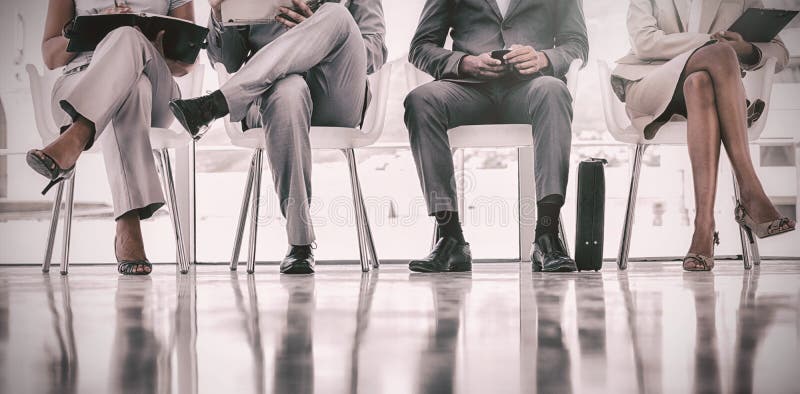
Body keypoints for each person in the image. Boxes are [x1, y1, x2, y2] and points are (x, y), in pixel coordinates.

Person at [168, 0, 387, 274]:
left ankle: (216, 104)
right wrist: (219, 12)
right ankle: (299, 242)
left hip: (335, 92)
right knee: (288, 91)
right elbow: (228, 61)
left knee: (337, 15)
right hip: (273, 95)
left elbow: (375, 51)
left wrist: (316, 33)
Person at [404, 0, 588, 273]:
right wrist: (464, 62)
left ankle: (546, 236)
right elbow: (420, 47)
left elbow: (577, 44)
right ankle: (450, 237)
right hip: (467, 89)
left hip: (531, 88)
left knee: (553, 90)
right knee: (420, 100)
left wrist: (543, 58)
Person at [611, 0, 796, 271]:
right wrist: (711, 44)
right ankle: (751, 191)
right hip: (649, 83)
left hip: (708, 92)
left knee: (699, 83)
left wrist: (744, 49)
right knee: (719, 54)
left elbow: (780, 53)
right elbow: (645, 43)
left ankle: (704, 230)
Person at [27, 0, 196, 275]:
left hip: (157, 86)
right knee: (133, 88)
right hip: (80, 80)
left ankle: (78, 135)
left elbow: (187, 62)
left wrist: (157, 52)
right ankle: (128, 226)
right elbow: (51, 57)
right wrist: (88, 28)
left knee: (129, 39)